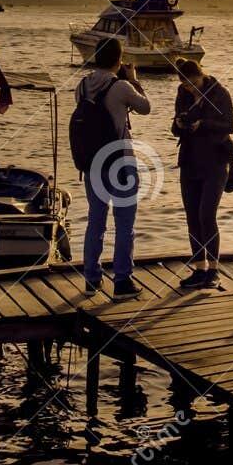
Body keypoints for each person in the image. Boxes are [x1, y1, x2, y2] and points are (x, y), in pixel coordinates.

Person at [74, 37, 150, 296]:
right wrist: (133, 78)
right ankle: (122, 282)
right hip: (119, 163)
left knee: (95, 221)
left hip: (92, 163)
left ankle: (91, 279)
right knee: (124, 223)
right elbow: (146, 108)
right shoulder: (122, 87)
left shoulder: (82, 86)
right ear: (119, 60)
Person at [170, 59, 233, 290]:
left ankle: (214, 270)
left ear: (202, 75)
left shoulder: (219, 93)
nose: (190, 87)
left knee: (206, 215)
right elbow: (174, 127)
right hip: (189, 160)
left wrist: (203, 124)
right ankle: (199, 268)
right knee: (192, 216)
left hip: (216, 161)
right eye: (186, 84)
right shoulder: (183, 93)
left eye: (193, 82)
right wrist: (179, 124)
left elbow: (229, 125)